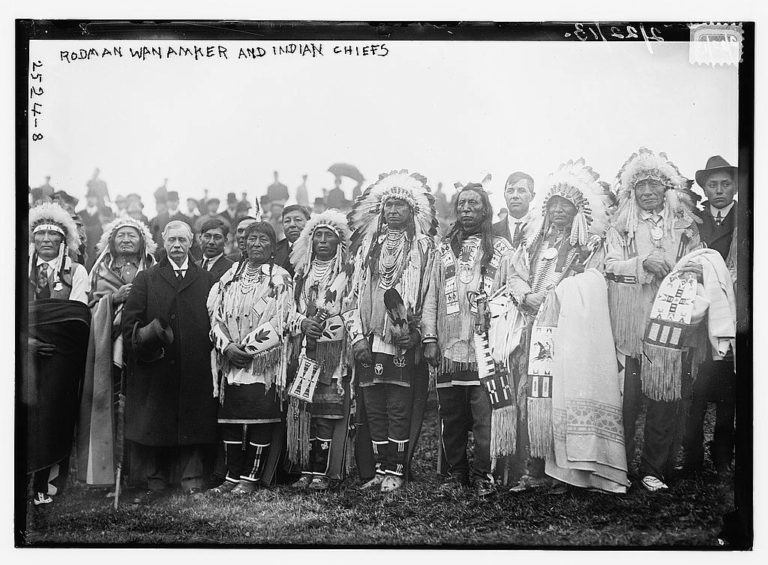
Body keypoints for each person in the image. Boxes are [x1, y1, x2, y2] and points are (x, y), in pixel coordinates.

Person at [512, 160, 629, 494]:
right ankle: (533, 471)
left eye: (566, 207)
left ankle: (563, 474)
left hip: (566, 335)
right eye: (553, 206)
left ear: (578, 212)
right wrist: (528, 296)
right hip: (530, 329)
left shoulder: (587, 246)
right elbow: (515, 274)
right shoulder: (532, 242)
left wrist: (562, 296)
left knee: (558, 399)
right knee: (530, 399)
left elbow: (595, 281)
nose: (559, 211)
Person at [604, 148, 704, 492]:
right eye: (640, 187)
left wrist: (689, 269)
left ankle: (653, 469)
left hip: (671, 324)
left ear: (666, 189)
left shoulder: (685, 225)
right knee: (626, 402)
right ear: (632, 191)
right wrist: (642, 262)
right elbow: (610, 266)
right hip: (632, 325)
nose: (647, 192)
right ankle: (618, 467)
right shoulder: (621, 225)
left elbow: (700, 261)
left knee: (664, 398)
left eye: (653, 185)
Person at [344, 170, 438, 493]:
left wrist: (421, 335)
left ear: (412, 212)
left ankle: (396, 470)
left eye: (400, 205)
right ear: (381, 212)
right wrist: (357, 337)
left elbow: (429, 296)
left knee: (399, 405)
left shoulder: (423, 248)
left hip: (401, 339)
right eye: (389, 205)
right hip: (371, 338)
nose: (394, 210)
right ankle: (380, 468)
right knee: (373, 405)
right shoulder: (369, 247)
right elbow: (353, 297)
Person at [422, 181, 514, 497]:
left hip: (485, 347)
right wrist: (430, 338)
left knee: (485, 416)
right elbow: (431, 296)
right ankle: (456, 474)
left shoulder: (502, 249)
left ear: (485, 209)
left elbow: (510, 292)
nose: (466, 209)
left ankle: (483, 475)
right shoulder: (442, 250)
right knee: (452, 417)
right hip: (449, 346)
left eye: (473, 204)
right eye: (461, 204)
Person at [122, 221, 217, 502]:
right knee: (157, 421)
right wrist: (147, 339)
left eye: (182, 240)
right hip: (156, 365)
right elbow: (131, 324)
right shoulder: (146, 278)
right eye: (171, 240)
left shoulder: (206, 279)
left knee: (194, 420)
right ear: (163, 242)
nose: (176, 246)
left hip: (195, 365)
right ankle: (156, 479)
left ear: (191, 243)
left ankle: (192, 478)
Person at [207, 222, 293, 494]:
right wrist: (227, 347)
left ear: (272, 246)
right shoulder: (229, 276)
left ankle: (250, 478)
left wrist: (245, 348)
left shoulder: (280, 278)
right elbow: (214, 315)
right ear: (242, 244)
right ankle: (232, 476)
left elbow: (282, 319)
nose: (256, 244)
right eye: (251, 238)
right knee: (231, 419)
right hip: (230, 359)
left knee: (259, 419)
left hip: (262, 361)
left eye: (263, 240)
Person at [77, 217, 156, 488]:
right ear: (111, 240)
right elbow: (89, 307)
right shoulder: (99, 270)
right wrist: (114, 299)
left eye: (131, 235)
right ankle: (110, 474)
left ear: (142, 241)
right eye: (120, 235)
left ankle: (141, 473)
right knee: (110, 404)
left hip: (142, 345)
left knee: (142, 405)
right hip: (108, 346)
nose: (126, 239)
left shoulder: (152, 268)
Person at [26, 203, 91, 505]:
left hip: (62, 354)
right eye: (41, 235)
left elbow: (76, 316)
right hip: (23, 351)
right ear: (33, 240)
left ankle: (48, 484)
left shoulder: (76, 272)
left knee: (56, 413)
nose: (47, 240)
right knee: (23, 413)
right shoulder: (18, 271)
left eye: (54, 236)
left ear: (65, 241)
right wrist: (25, 341)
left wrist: (44, 328)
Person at [287, 211, 353, 490]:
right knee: (304, 410)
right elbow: (287, 311)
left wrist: (326, 327)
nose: (323, 241)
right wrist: (302, 323)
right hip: (304, 351)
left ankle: (322, 473)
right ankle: (305, 470)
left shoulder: (347, 275)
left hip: (333, 354)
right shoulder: (300, 274)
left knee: (326, 412)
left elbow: (351, 309)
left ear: (339, 242)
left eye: (330, 236)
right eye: (318, 236)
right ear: (310, 241)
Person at [681, 155, 739, 475]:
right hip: (699, 312)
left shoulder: (746, 219)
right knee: (697, 389)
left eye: (725, 184)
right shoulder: (696, 221)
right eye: (712, 184)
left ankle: (722, 457)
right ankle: (691, 460)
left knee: (729, 388)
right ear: (703, 188)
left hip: (731, 311)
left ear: (735, 187)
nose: (719, 190)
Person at [493, 171, 541, 250]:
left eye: (521, 191)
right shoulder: (492, 231)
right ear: (504, 195)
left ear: (532, 196)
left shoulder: (539, 230)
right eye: (510, 191)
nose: (515, 196)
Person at [274, 205, 311, 276]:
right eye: (287, 221)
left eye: (298, 220)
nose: (292, 225)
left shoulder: (317, 249)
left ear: (309, 222)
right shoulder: (274, 251)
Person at [197, 219, 234, 283]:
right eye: (207, 236)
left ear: (225, 241)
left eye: (217, 238)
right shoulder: (194, 266)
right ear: (200, 239)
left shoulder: (231, 269)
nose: (211, 242)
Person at [78, 191, 105, 271]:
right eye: (89, 197)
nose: (91, 200)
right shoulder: (80, 213)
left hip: (96, 245)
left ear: (97, 200)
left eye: (93, 198)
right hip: (83, 246)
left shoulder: (102, 214)